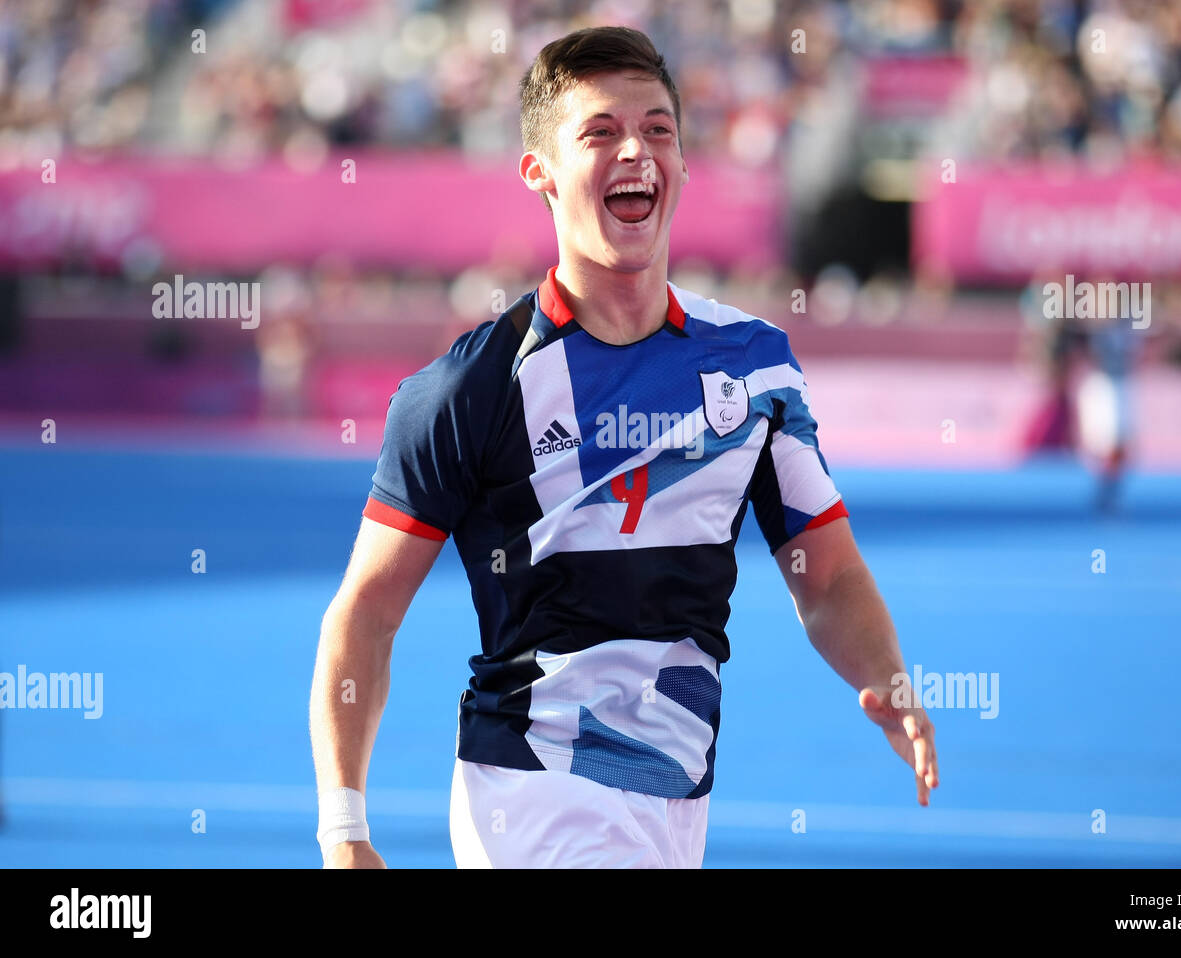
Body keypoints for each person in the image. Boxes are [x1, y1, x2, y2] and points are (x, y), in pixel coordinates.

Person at [309, 25, 937, 869]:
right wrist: (343, 829)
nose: (635, 149)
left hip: (675, 803)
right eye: (600, 132)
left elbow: (825, 576)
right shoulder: (472, 389)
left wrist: (886, 676)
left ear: (681, 162)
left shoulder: (754, 367)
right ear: (541, 173)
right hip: (533, 795)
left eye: (658, 129)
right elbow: (366, 611)